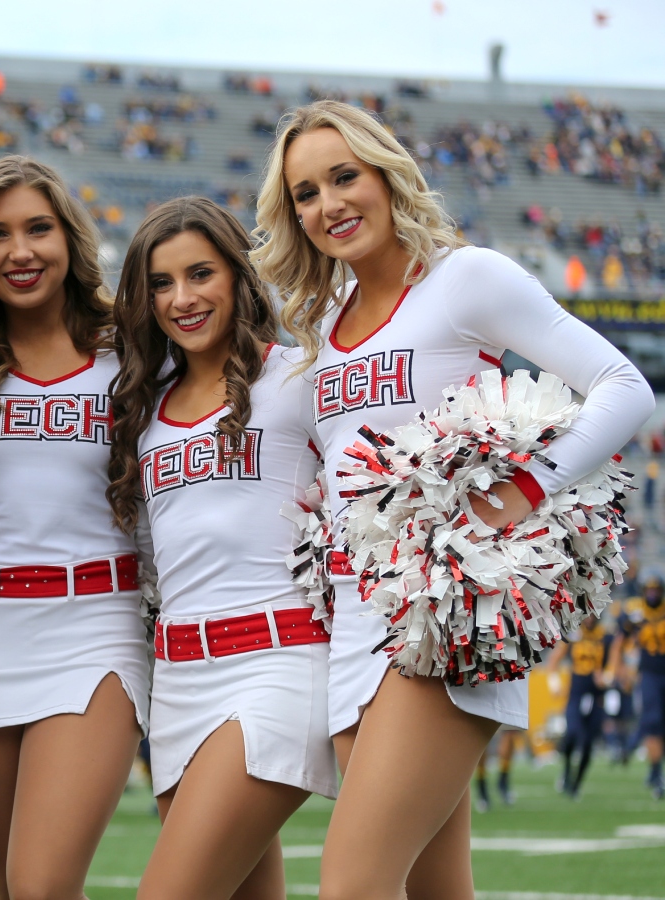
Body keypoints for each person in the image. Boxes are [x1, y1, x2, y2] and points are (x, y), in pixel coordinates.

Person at [253, 99, 654, 898]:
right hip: (352, 621)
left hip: (447, 615)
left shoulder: (466, 278)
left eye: (344, 177)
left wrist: (527, 487)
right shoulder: (322, 323)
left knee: (352, 880)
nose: (328, 204)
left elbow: (624, 385)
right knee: (438, 886)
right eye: (305, 193)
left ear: (386, 173)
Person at [107, 196, 336, 899]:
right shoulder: (143, 407)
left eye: (201, 274)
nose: (183, 298)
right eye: (162, 284)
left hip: (277, 663)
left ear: (239, 275)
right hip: (178, 682)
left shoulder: (299, 377)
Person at [0, 156, 148, 900]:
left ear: (72, 238)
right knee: (5, 886)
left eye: (39, 229)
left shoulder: (132, 354)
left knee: (40, 884)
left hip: (94, 627)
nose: (19, 251)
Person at [545, 616, 618, 799]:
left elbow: (615, 661)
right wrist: (554, 684)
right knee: (572, 734)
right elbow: (553, 660)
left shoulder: (606, 637)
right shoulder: (574, 635)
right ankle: (567, 771)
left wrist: (607, 678)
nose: (590, 618)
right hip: (576, 694)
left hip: (596, 696)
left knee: (587, 743)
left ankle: (576, 783)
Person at [620, 574, 665, 799]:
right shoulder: (636, 614)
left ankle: (654, 769)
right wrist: (621, 670)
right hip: (648, 673)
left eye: (656, 590)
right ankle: (656, 773)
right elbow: (621, 640)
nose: (653, 594)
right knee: (652, 720)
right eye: (649, 590)